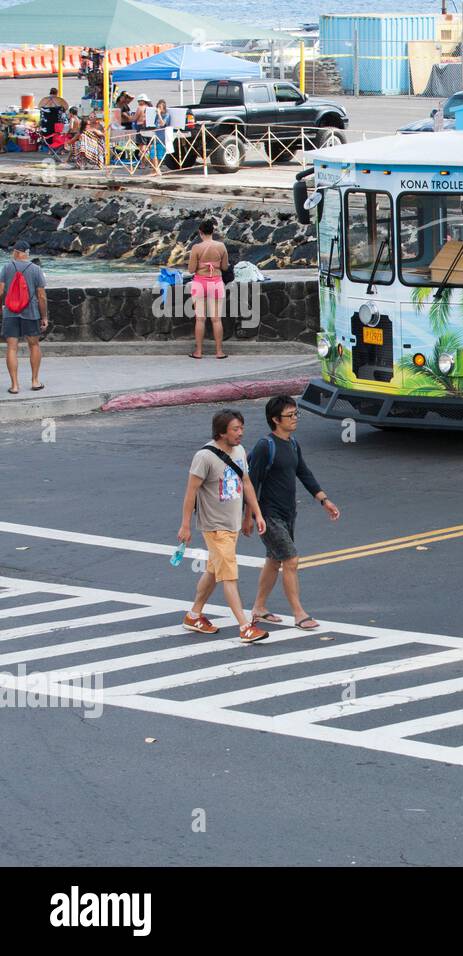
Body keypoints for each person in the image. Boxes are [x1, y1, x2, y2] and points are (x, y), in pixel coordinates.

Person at [247, 395, 340, 630]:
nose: (295, 419)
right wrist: (248, 516)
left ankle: (259, 607)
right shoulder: (264, 446)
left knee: (274, 559)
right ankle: (299, 613)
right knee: (290, 559)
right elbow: (250, 482)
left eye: (296, 414)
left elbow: (303, 472)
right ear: (275, 419)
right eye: (290, 415)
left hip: (288, 513)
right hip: (268, 514)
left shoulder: (292, 443)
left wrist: (324, 500)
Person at [178, 409, 268, 644]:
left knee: (214, 570)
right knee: (228, 575)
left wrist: (256, 514)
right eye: (235, 429)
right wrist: (185, 526)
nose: (241, 433)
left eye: (241, 428)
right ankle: (244, 626)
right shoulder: (204, 457)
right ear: (221, 432)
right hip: (214, 526)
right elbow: (191, 492)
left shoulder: (239, 451)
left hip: (232, 524)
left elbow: (246, 483)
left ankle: (193, 615)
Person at [2, 240, 49, 395]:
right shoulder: (36, 270)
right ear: (27, 253)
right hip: (31, 313)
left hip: (10, 313)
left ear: (16, 252)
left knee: (12, 348)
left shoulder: (6, 267)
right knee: (34, 346)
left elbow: (0, 291)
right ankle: (35, 381)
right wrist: (44, 316)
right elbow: (41, 296)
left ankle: (15, 386)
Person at [187, 219, 230, 360]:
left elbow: (191, 269)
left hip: (199, 284)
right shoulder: (221, 246)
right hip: (216, 283)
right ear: (213, 231)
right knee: (216, 319)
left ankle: (198, 352)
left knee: (200, 319)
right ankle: (219, 352)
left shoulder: (196, 248)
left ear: (200, 232)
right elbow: (224, 267)